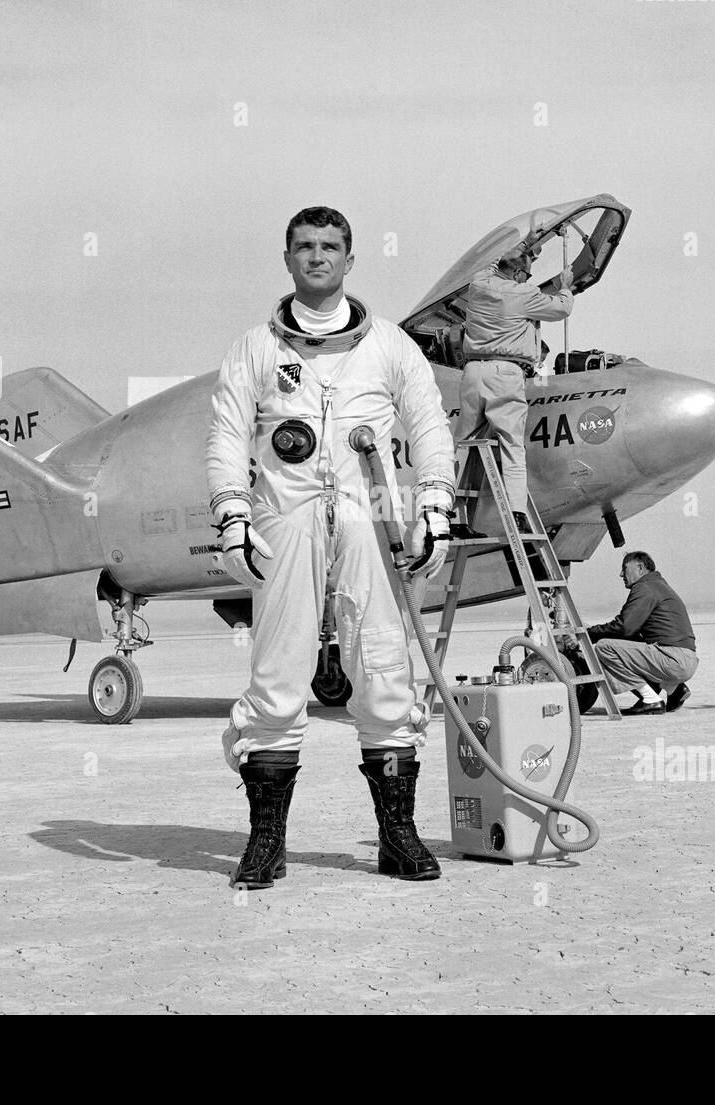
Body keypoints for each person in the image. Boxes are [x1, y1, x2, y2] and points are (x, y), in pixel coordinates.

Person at [206, 206, 457, 890]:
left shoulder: (390, 347)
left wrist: (434, 504)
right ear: (288, 259)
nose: (317, 257)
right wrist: (231, 513)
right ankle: (266, 841)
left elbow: (430, 421)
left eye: (330, 247)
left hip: (369, 510)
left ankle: (397, 836)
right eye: (305, 247)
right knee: (277, 670)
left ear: (350, 260)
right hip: (284, 513)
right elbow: (228, 432)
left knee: (382, 664)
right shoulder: (255, 348)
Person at [453, 238, 572, 536]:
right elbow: (561, 309)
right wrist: (566, 284)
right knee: (512, 446)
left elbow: (493, 265)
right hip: (505, 375)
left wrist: (524, 249)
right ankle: (517, 513)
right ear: (519, 274)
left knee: (462, 448)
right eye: (528, 272)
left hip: (471, 373)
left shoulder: (477, 286)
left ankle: (452, 517)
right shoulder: (524, 294)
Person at [585, 551, 698, 715]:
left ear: (640, 567)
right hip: (685, 659)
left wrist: (587, 635)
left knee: (605, 648)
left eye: (624, 568)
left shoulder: (645, 587)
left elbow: (624, 627)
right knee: (627, 644)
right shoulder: (658, 585)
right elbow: (630, 633)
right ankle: (673, 688)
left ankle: (651, 700)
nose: (621, 574)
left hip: (674, 660)